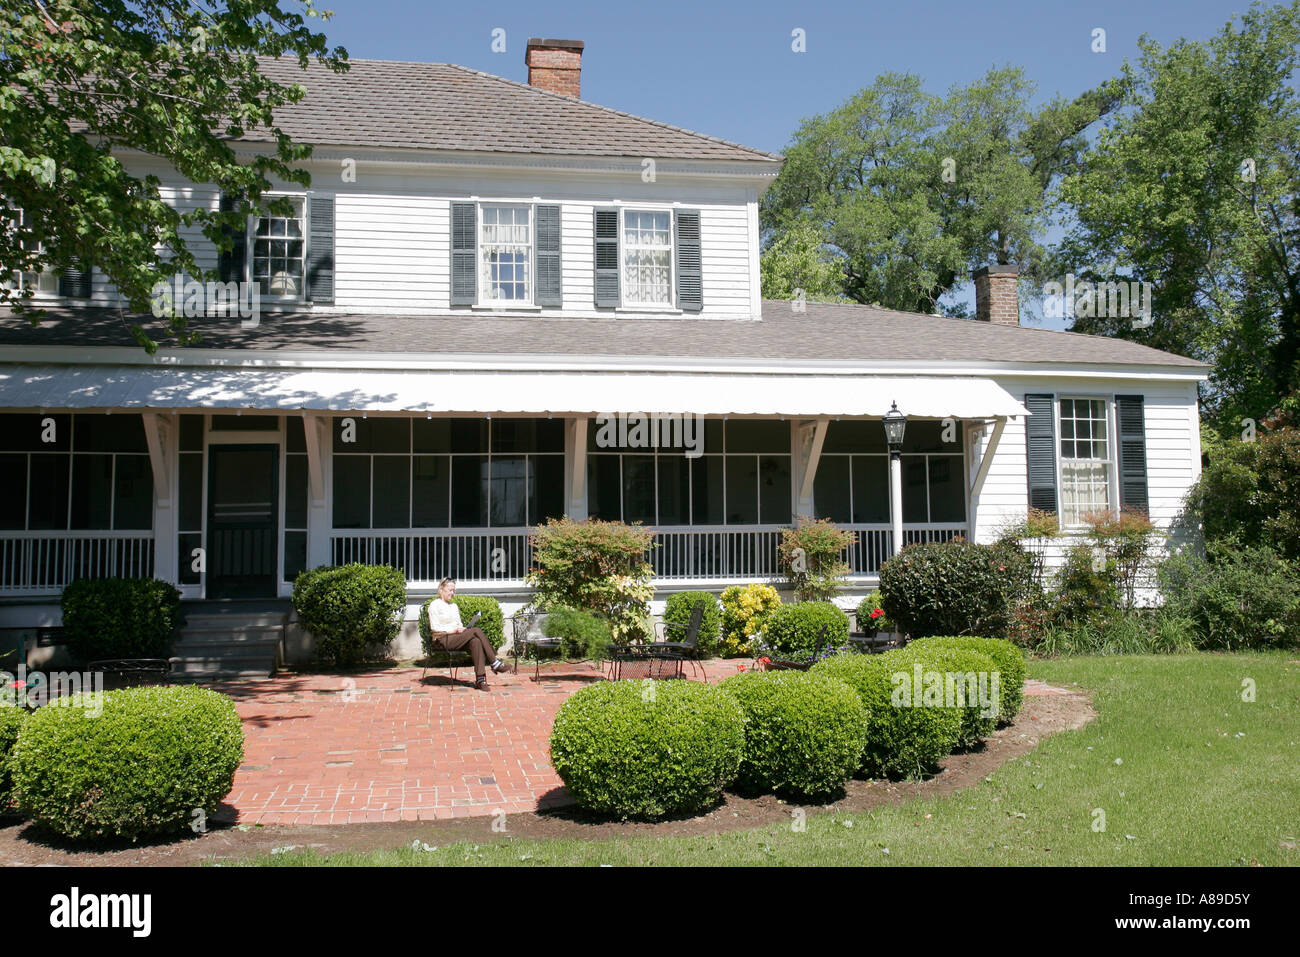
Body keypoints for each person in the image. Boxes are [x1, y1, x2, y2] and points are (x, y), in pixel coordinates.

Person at [426, 578, 506, 690]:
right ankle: (494, 662)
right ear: (441, 589)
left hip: (455, 638)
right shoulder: (435, 605)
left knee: (476, 641)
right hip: (442, 639)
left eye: (454, 590)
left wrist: (462, 628)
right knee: (476, 630)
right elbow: (435, 627)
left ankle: (480, 680)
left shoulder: (454, 606)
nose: (452, 593)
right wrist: (453, 630)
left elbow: (458, 624)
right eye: (450, 590)